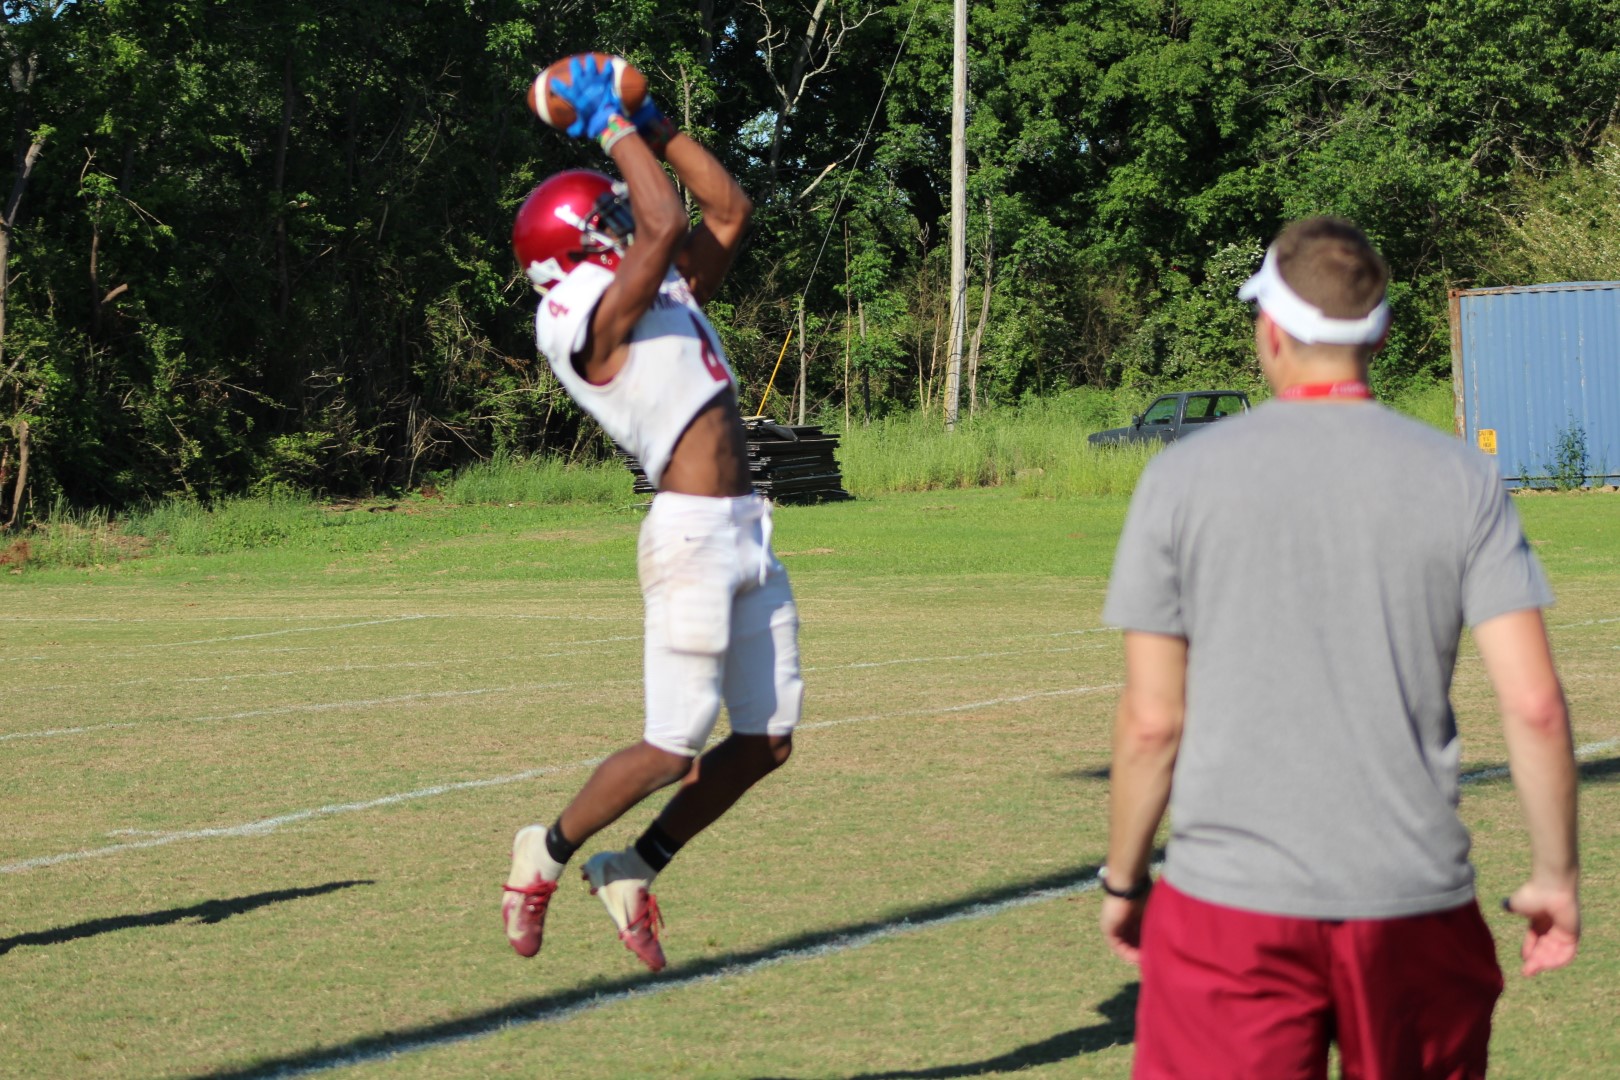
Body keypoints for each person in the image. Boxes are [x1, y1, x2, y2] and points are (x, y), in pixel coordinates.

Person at [1098, 216, 1580, 1078]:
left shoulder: (1179, 478)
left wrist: (1125, 880)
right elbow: (1534, 705)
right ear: (1382, 333)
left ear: (1271, 331)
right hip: (1414, 905)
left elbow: (1150, 722)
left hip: (1228, 908)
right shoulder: (1463, 476)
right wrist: (1556, 877)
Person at [501, 56, 803, 973]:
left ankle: (633, 864)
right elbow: (667, 218)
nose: (628, 216)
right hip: (689, 538)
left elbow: (726, 213)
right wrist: (604, 121)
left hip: (747, 528)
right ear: (576, 241)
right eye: (610, 215)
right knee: (673, 746)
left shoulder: (653, 290)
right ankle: (541, 853)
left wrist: (657, 119)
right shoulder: (578, 314)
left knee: (765, 741)